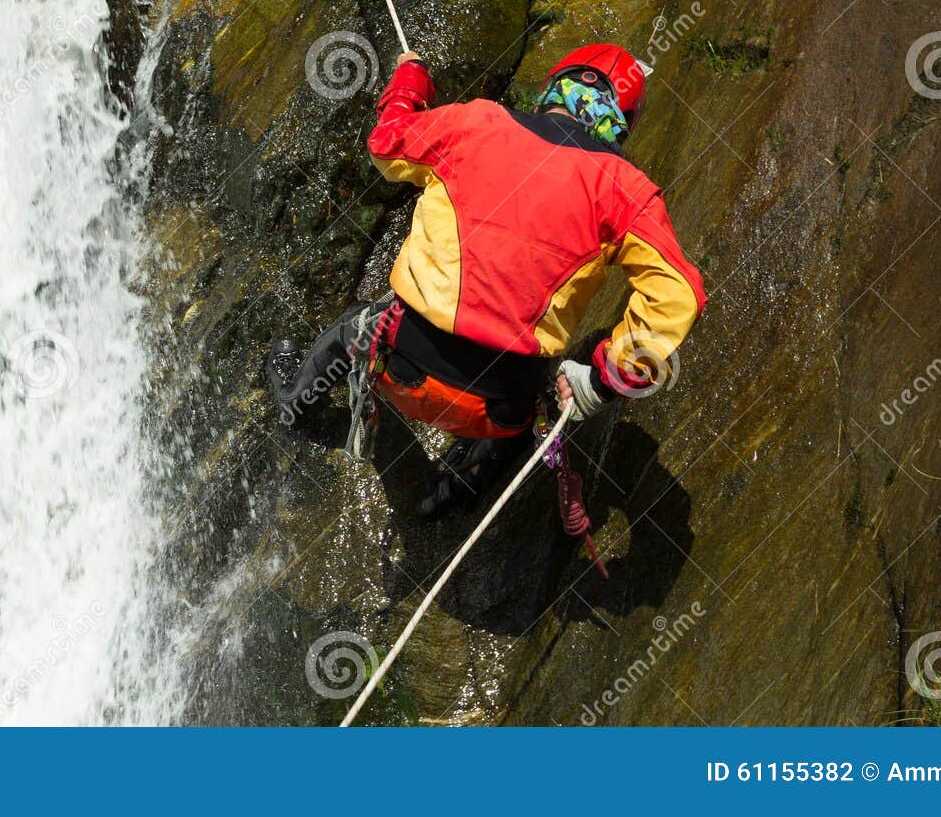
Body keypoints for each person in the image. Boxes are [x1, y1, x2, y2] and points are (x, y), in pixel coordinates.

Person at [269, 44, 707, 518]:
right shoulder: (626, 189)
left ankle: (295, 403)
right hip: (501, 411)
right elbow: (680, 295)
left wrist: (410, 82)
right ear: (621, 120)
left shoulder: (476, 122)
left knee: (354, 323)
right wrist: (603, 381)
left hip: (402, 370)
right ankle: (454, 489)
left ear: (553, 88)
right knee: (541, 392)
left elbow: (386, 143)